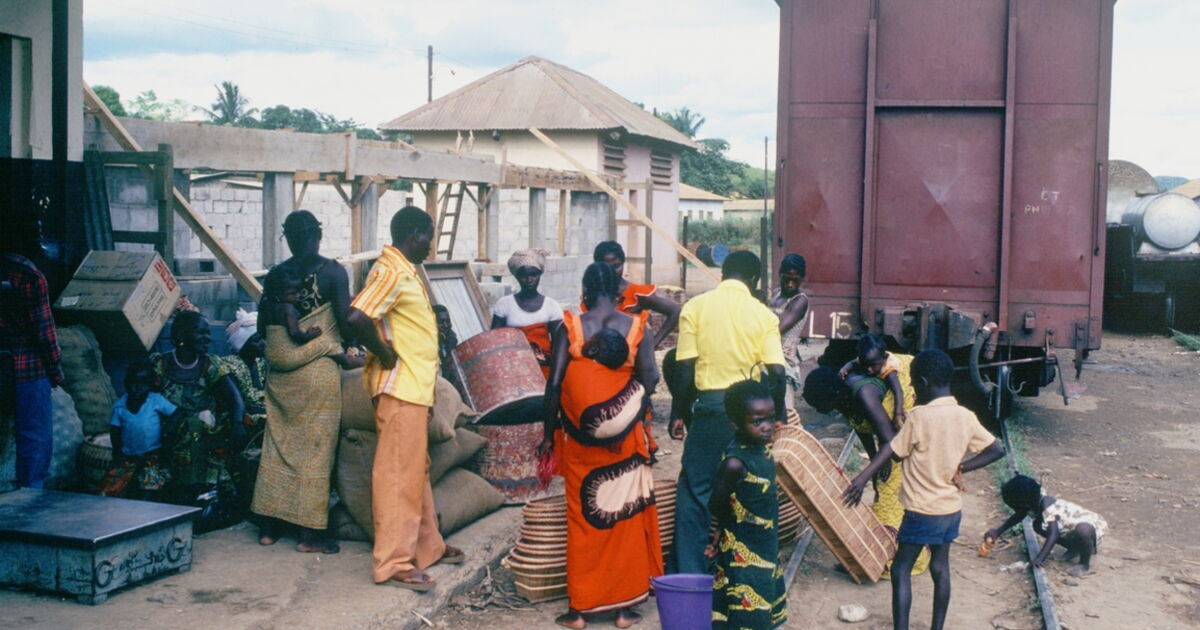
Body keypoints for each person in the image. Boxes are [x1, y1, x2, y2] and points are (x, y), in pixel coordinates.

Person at [843, 349, 1005, 630]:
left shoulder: (919, 417)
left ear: (926, 382)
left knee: (900, 568)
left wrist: (861, 477)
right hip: (951, 510)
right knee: (940, 569)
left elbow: (892, 450)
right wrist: (963, 467)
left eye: (915, 383)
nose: (914, 389)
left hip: (921, 511)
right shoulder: (965, 415)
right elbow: (996, 449)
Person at [539, 261, 662, 629]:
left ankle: (580, 611)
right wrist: (626, 407)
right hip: (624, 441)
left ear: (585, 290)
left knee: (583, 519)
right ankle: (623, 611)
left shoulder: (571, 326)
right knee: (623, 515)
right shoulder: (637, 326)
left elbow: (554, 383)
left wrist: (548, 433)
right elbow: (651, 377)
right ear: (619, 291)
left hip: (579, 443)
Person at [347, 206, 464, 591]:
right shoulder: (390, 271)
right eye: (428, 236)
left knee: (416, 469)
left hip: (415, 389)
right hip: (399, 389)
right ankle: (394, 563)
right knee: (398, 475)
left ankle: (428, 546)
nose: (430, 245)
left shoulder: (406, 270)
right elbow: (357, 319)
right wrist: (383, 352)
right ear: (413, 234)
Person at [669, 250, 787, 574]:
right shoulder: (764, 315)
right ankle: (739, 571)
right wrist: (778, 416)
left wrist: (677, 413)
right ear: (755, 281)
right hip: (749, 414)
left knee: (696, 489)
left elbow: (684, 366)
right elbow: (777, 371)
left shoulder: (696, 307)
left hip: (709, 409)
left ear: (723, 274)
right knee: (746, 487)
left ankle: (691, 576)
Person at [252, 210, 361, 554]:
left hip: (281, 378)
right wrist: (349, 351)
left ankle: (269, 528)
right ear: (318, 234)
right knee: (316, 453)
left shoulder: (275, 276)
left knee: (278, 449)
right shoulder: (332, 272)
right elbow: (345, 322)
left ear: (287, 237)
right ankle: (308, 535)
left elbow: (261, 329)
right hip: (318, 372)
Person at [803, 338, 930, 576]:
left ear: (832, 396)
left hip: (900, 430)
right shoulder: (843, 401)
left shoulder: (864, 395)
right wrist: (873, 465)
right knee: (883, 484)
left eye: (821, 406)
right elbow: (864, 431)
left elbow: (891, 441)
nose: (821, 412)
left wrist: (861, 478)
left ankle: (895, 560)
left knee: (892, 493)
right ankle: (879, 554)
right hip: (889, 440)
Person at [708, 377, 788, 629]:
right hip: (742, 545)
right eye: (757, 422)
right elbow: (716, 502)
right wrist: (717, 532)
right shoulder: (734, 463)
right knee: (745, 604)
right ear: (735, 423)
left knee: (764, 594)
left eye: (770, 418)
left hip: (765, 540)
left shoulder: (762, 449)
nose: (767, 427)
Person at [150, 311, 245, 506]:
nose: (207, 338)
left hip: (201, 432)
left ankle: (198, 492)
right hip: (167, 431)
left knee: (195, 425)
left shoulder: (211, 365)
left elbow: (235, 398)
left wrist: (237, 423)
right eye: (200, 333)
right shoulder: (160, 364)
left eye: (208, 333)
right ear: (181, 335)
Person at [0, 217, 62, 489]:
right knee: (34, 439)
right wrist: (56, 371)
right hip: (27, 369)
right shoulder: (30, 275)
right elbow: (45, 333)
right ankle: (31, 497)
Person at [986, 474, 1107, 577]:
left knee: (1083, 531)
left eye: (1013, 506)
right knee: (1037, 525)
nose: (1014, 509)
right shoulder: (1034, 501)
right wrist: (998, 531)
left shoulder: (1048, 508)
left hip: (1093, 528)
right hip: (1070, 528)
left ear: (1025, 504)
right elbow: (1019, 515)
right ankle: (1075, 547)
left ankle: (1084, 564)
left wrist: (1039, 558)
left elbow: (1052, 536)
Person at [103, 359, 181, 499]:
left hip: (152, 456)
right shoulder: (119, 406)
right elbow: (115, 431)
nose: (137, 387)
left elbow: (176, 414)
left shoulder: (155, 400)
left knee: (148, 493)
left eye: (143, 383)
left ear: (150, 384)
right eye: (133, 383)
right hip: (129, 458)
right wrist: (117, 453)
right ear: (126, 383)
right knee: (109, 491)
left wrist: (168, 435)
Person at [491, 248, 564, 379]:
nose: (529, 279)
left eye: (534, 275)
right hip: (513, 369)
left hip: (544, 369)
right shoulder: (504, 304)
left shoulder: (552, 306)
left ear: (540, 275)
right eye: (524, 275)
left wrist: (546, 361)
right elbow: (495, 342)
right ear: (517, 276)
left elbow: (558, 345)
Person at [591, 241, 679, 348]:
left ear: (623, 263)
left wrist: (654, 343)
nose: (612, 272)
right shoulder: (594, 294)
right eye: (606, 267)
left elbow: (675, 310)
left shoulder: (636, 294)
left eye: (617, 266)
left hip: (632, 357)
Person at [768, 254, 810, 411]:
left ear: (802, 279)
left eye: (796, 280)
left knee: (785, 412)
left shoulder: (800, 301)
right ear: (780, 275)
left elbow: (776, 329)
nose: (790, 284)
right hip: (768, 358)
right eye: (786, 278)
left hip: (784, 362)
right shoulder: (776, 295)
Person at [840, 334, 908, 425]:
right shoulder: (868, 358)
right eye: (866, 365)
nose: (869, 369)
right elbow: (853, 363)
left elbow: (898, 391)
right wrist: (845, 368)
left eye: (873, 365)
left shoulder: (890, 369)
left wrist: (897, 414)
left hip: (896, 373)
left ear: (884, 358)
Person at [261, 265, 322, 345]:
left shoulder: (265, 304)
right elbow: (294, 333)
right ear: (277, 293)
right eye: (292, 293)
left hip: (270, 349)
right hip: (287, 352)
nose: (298, 295)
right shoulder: (288, 308)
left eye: (299, 291)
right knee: (330, 348)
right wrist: (309, 335)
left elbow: (261, 330)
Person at [432, 305, 464, 396]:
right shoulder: (426, 341)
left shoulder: (451, 338)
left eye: (448, 321)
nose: (445, 325)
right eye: (440, 322)